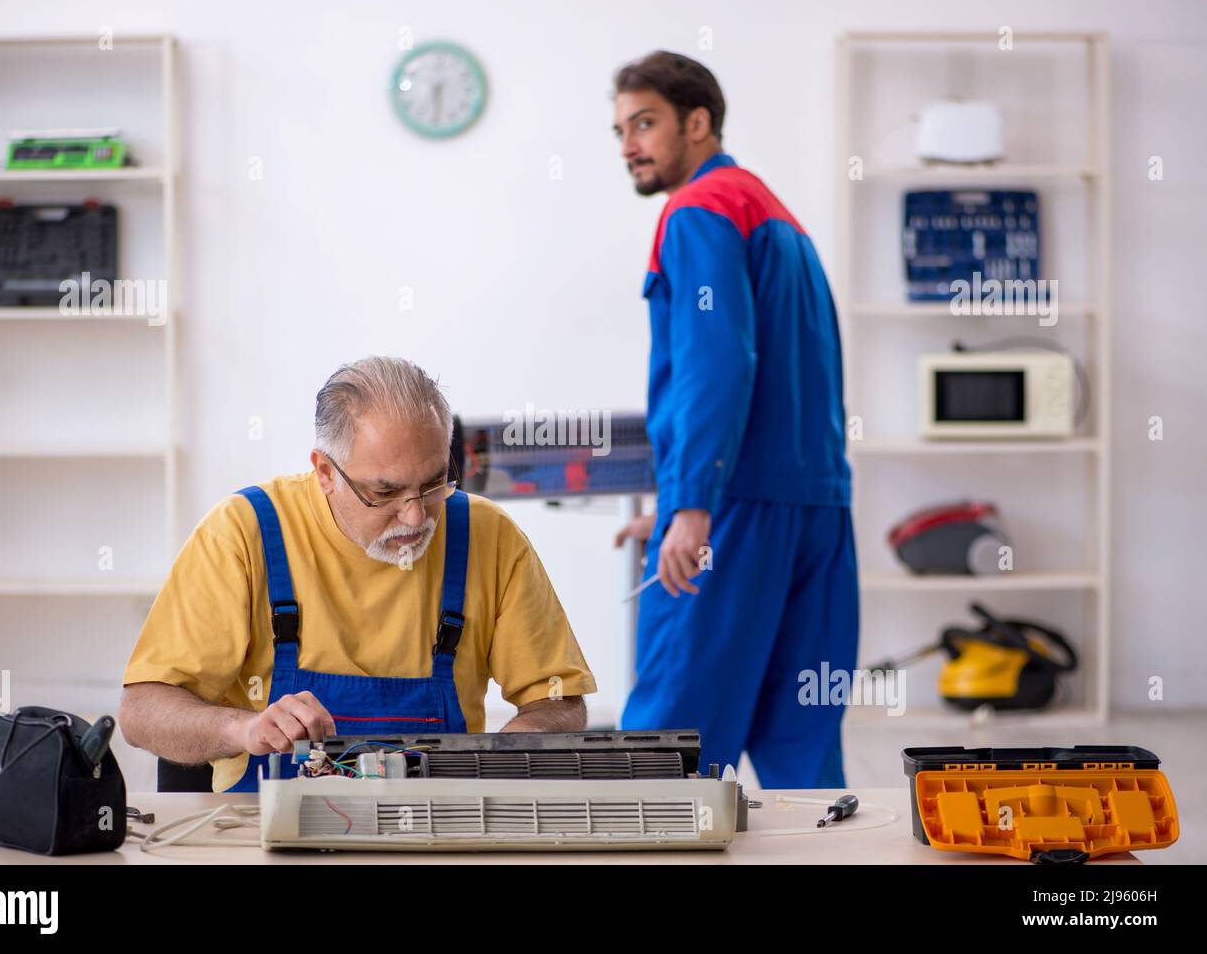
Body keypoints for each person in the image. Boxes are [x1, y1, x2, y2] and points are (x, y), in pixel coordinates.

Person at [120, 356, 597, 791]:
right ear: (325, 472)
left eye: (433, 484)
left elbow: (559, 702)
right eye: (385, 493)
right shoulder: (244, 533)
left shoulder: (488, 537)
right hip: (258, 831)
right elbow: (141, 713)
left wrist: (498, 760)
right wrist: (243, 728)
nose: (415, 517)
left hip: (436, 825)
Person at [610, 51, 858, 787]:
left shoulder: (697, 210)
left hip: (736, 511)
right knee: (802, 744)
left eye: (645, 123)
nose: (629, 144)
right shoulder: (778, 216)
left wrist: (689, 506)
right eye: (621, 128)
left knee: (669, 739)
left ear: (698, 122)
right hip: (817, 510)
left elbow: (718, 363)